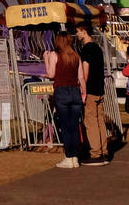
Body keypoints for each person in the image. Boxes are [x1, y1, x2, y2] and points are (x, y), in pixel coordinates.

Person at [45, 31, 85, 169]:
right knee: (74, 125)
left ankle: (69, 156)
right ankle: (75, 157)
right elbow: (81, 78)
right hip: (75, 91)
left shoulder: (54, 55)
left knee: (65, 127)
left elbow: (51, 74)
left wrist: (46, 59)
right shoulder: (75, 56)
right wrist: (83, 93)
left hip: (62, 91)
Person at [75, 23, 109, 165]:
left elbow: (85, 71)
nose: (77, 34)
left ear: (84, 32)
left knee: (90, 122)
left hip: (91, 89)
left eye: (78, 32)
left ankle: (95, 153)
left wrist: (82, 88)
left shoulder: (86, 49)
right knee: (100, 120)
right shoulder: (97, 48)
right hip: (100, 89)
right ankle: (103, 151)